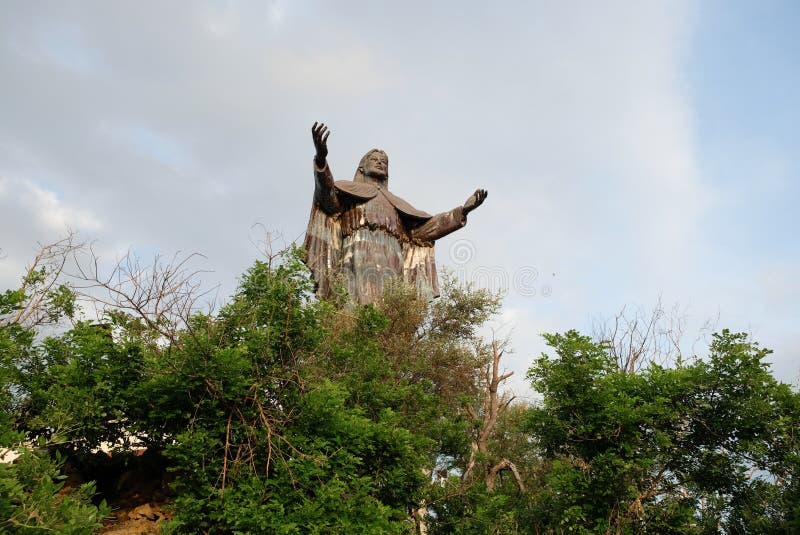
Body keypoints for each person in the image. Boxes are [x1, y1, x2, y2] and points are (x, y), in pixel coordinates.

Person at [304, 122, 487, 305]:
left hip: (392, 258)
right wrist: (321, 159)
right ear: (362, 168)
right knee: (356, 303)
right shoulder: (348, 190)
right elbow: (326, 197)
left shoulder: (396, 203)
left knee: (389, 307)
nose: (380, 162)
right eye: (374, 159)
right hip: (357, 251)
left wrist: (462, 211)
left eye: (384, 162)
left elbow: (424, 231)